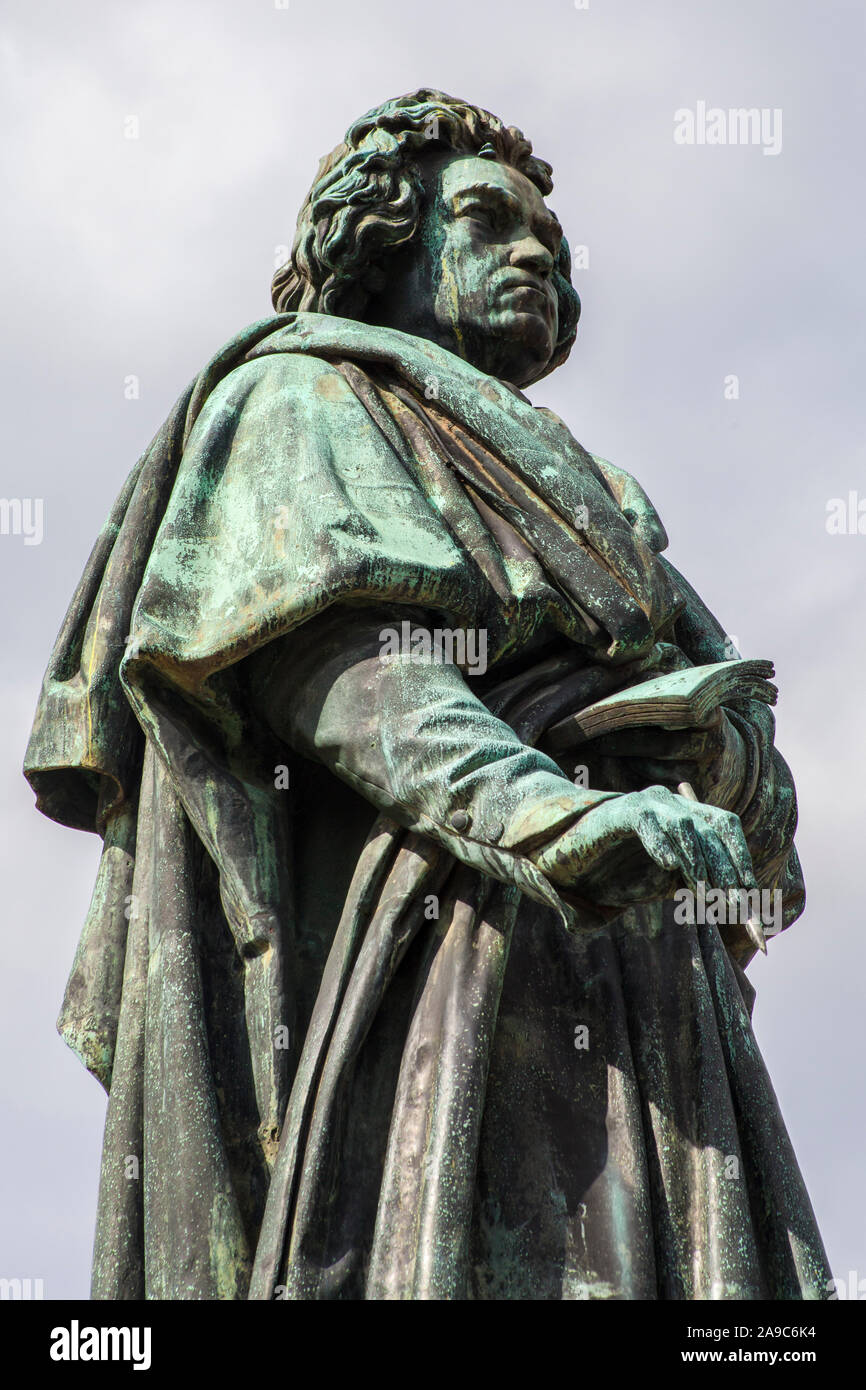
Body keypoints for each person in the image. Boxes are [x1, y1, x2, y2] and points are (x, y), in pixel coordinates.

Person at [25, 88, 830, 1300]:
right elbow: (349, 670)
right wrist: (557, 820)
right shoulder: (296, 397)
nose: (532, 256)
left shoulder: (600, 497)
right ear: (385, 240)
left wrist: (712, 765)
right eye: (488, 221)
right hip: (462, 924)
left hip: (648, 964)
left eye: (550, 247)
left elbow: (756, 807)